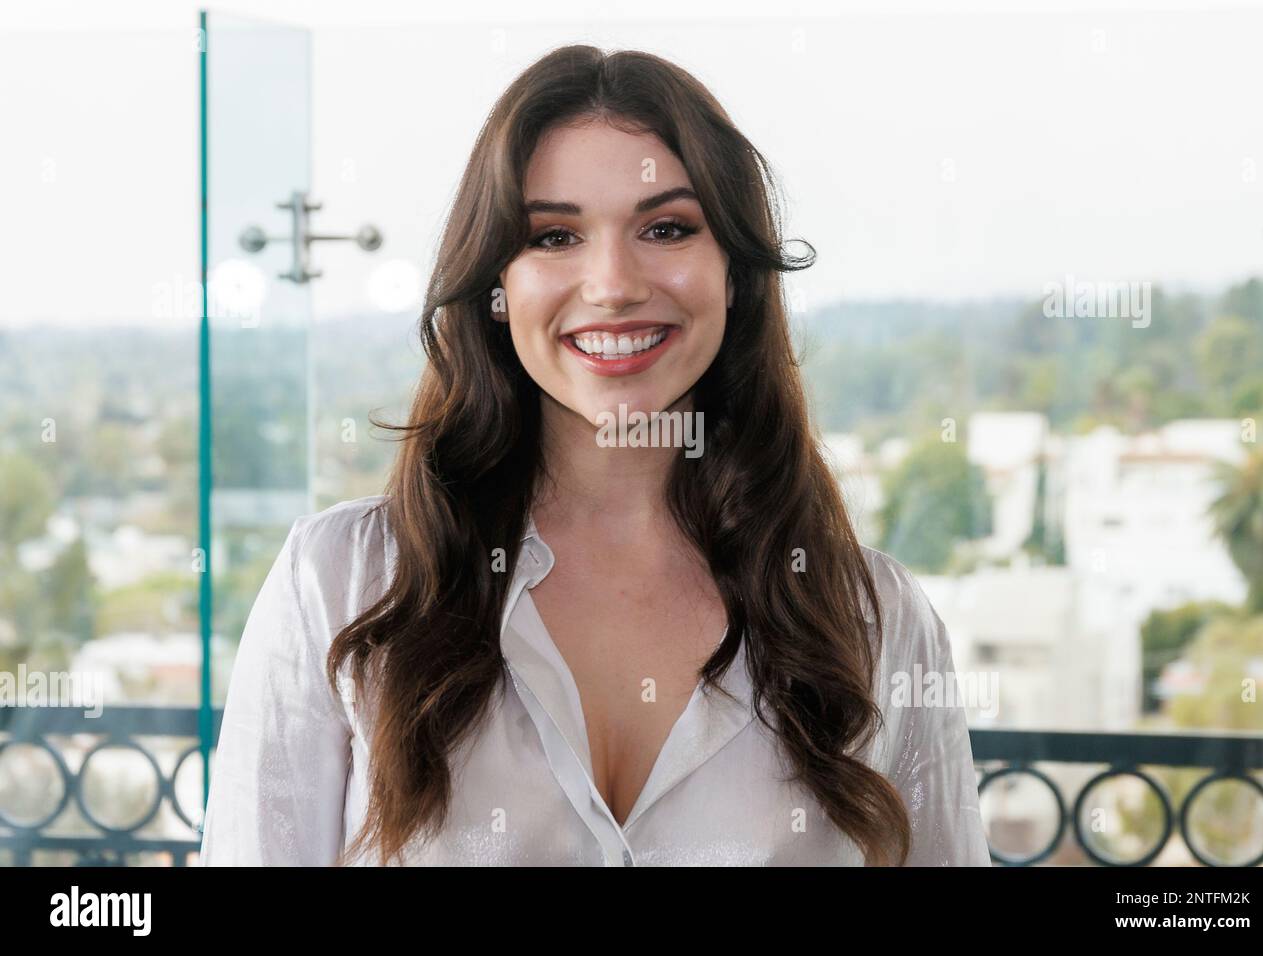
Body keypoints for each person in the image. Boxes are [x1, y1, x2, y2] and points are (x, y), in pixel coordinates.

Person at [198, 44, 992, 867]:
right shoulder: (342, 586)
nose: (612, 283)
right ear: (496, 286)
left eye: (667, 228)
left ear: (736, 276)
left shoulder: (875, 621)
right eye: (554, 235)